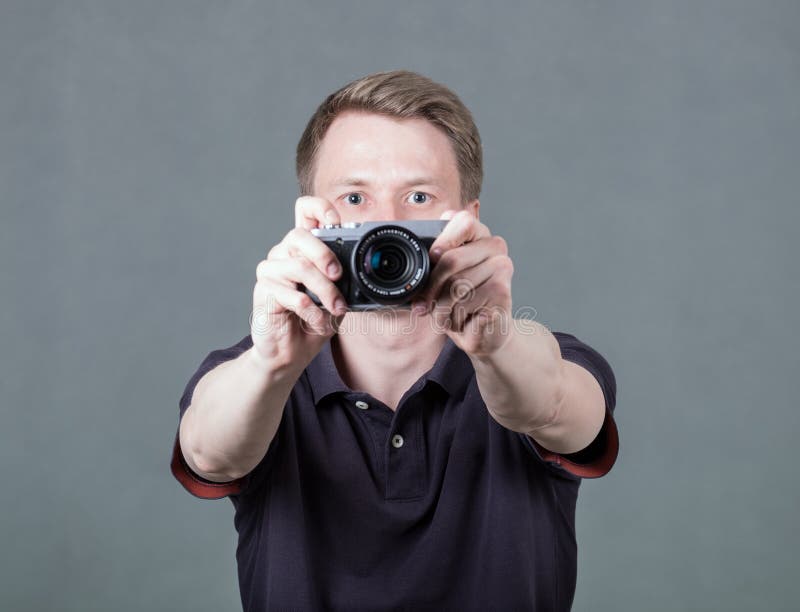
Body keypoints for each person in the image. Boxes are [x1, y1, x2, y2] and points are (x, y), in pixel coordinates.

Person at [170, 70, 619, 612]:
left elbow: (553, 404)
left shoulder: (529, 357)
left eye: (419, 196)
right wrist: (271, 366)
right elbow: (209, 454)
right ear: (311, 219)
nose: (387, 224)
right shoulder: (258, 374)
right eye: (354, 197)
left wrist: (494, 345)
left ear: (468, 220)